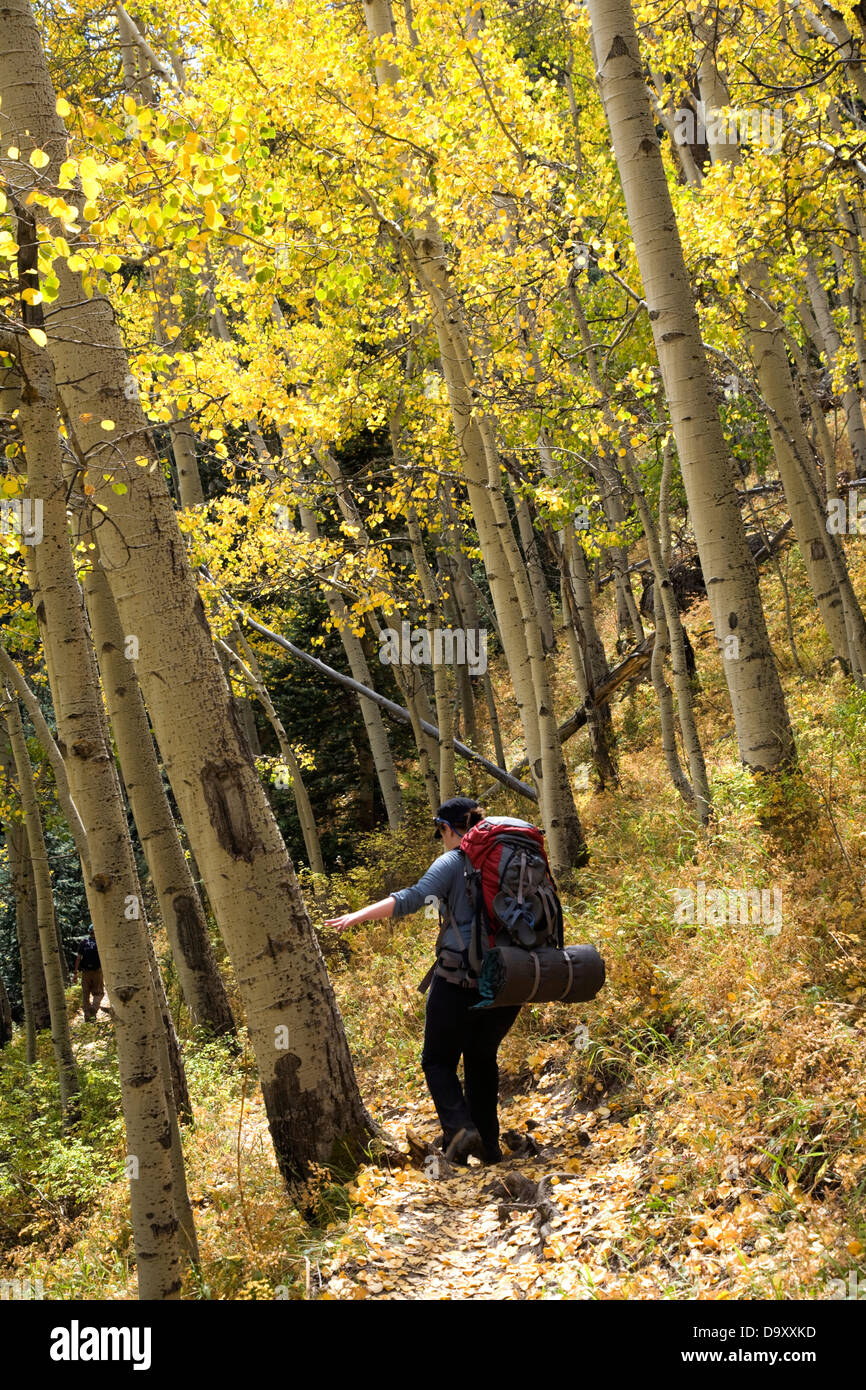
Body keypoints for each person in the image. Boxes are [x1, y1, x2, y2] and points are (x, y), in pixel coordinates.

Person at [324, 797, 521, 1165]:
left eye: (440, 833)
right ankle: (489, 1149)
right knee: (481, 1059)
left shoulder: (453, 861)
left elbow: (413, 898)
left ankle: (461, 1129)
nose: (441, 840)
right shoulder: (510, 856)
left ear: (448, 828)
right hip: (512, 977)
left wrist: (358, 916)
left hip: (460, 978)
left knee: (436, 1060)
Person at [74, 930, 104, 1022]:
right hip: (97, 971)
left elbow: (78, 958)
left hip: (85, 972)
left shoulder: (83, 942)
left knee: (85, 994)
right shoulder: (100, 941)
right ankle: (94, 1009)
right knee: (98, 993)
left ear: (89, 932)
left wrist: (75, 973)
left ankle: (87, 1016)